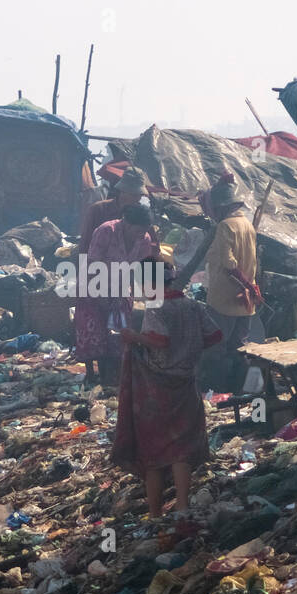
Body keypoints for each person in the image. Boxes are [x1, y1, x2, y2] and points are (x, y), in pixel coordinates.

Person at [111, 261, 222, 518]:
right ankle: (182, 507)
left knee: (154, 451)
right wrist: (189, 348)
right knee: (181, 449)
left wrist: (133, 337)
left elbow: (160, 341)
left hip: (156, 387)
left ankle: (155, 514)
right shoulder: (192, 305)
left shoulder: (155, 307)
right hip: (185, 382)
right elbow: (215, 336)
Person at [75, 201, 156, 387]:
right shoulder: (107, 231)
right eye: (138, 229)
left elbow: (143, 267)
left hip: (120, 288)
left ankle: (112, 375)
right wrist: (102, 294)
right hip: (93, 286)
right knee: (92, 330)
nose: (141, 234)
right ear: (127, 223)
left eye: (144, 230)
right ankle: (90, 374)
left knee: (118, 333)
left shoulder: (144, 239)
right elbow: (93, 263)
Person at [197, 177, 260, 393]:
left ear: (223, 207)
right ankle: (239, 388)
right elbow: (252, 262)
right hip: (245, 300)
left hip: (223, 298)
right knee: (239, 347)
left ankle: (217, 388)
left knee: (216, 346)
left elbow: (228, 262)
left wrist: (244, 282)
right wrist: (251, 285)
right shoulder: (248, 225)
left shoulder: (225, 226)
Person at [78, 168, 149, 254]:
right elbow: (85, 243)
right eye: (134, 194)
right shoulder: (98, 209)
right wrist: (83, 266)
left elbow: (152, 246)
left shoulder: (142, 215)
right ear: (123, 191)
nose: (138, 198)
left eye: (140, 195)